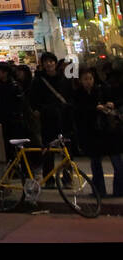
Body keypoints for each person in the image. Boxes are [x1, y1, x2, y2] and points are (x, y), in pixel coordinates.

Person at [73, 68, 123, 199]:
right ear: (80, 81)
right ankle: (99, 191)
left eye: (90, 78)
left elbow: (117, 101)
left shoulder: (103, 90)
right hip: (92, 133)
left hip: (109, 132)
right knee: (96, 163)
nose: (88, 82)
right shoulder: (78, 94)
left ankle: (119, 190)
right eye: (85, 79)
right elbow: (78, 111)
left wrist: (111, 104)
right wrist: (94, 108)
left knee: (117, 162)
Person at [29, 52, 75, 175]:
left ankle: (67, 177)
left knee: (66, 148)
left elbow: (69, 96)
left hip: (63, 118)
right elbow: (33, 99)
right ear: (42, 64)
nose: (49, 64)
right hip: (47, 118)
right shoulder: (38, 81)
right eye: (46, 62)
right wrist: (38, 110)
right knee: (48, 148)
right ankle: (48, 177)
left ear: (55, 63)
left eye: (51, 61)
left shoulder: (64, 79)